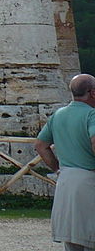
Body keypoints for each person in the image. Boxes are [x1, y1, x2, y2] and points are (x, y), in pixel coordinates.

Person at [35, 73, 95, 251]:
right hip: (89, 180)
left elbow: (40, 145)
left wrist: (57, 168)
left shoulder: (58, 115)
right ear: (92, 93)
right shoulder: (92, 115)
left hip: (66, 179)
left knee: (73, 240)